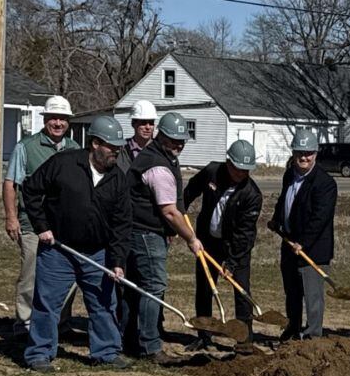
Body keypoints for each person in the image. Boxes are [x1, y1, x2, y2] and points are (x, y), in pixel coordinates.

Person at [20, 116, 132, 372]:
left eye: (118, 148)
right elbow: (31, 190)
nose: (116, 152)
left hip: (97, 254)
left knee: (104, 304)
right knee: (47, 304)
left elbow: (122, 225)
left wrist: (117, 262)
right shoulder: (63, 164)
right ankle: (39, 353)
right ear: (94, 144)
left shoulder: (118, 180)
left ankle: (106, 352)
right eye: (111, 147)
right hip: (58, 250)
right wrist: (42, 227)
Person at [124, 111, 205, 361]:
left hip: (141, 230)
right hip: (145, 232)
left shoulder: (162, 156)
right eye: (173, 139)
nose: (178, 144)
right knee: (153, 286)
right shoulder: (157, 166)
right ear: (162, 136)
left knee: (136, 287)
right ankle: (150, 346)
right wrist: (191, 238)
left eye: (182, 140)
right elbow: (169, 211)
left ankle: (130, 340)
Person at [2, 95, 79, 343]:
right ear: (44, 119)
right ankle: (24, 322)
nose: (57, 123)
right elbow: (11, 184)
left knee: (67, 277)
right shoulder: (26, 147)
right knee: (31, 275)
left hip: (66, 226)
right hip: (32, 224)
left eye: (62, 119)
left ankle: (61, 322)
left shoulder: (75, 149)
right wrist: (11, 217)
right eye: (53, 118)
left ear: (68, 122)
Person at [183, 139, 263, 338]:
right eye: (237, 169)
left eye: (246, 170)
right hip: (207, 242)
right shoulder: (212, 172)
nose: (241, 174)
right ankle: (204, 336)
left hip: (236, 248)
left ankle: (244, 341)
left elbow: (245, 234)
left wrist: (233, 262)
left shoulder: (252, 195)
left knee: (242, 292)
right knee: (205, 289)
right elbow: (190, 190)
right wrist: (179, 211)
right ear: (229, 163)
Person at [269, 128, 337, 340]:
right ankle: (292, 329)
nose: (304, 157)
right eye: (300, 152)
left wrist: (303, 243)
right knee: (292, 293)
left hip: (313, 250)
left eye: (308, 153)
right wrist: (277, 220)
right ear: (294, 153)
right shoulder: (289, 174)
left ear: (315, 154)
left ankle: (311, 337)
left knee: (312, 296)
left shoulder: (325, 184)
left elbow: (319, 219)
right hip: (289, 244)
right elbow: (284, 200)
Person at [117, 100, 157, 171]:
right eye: (143, 123)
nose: (148, 127)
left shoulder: (159, 149)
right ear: (133, 124)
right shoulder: (122, 149)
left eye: (151, 123)